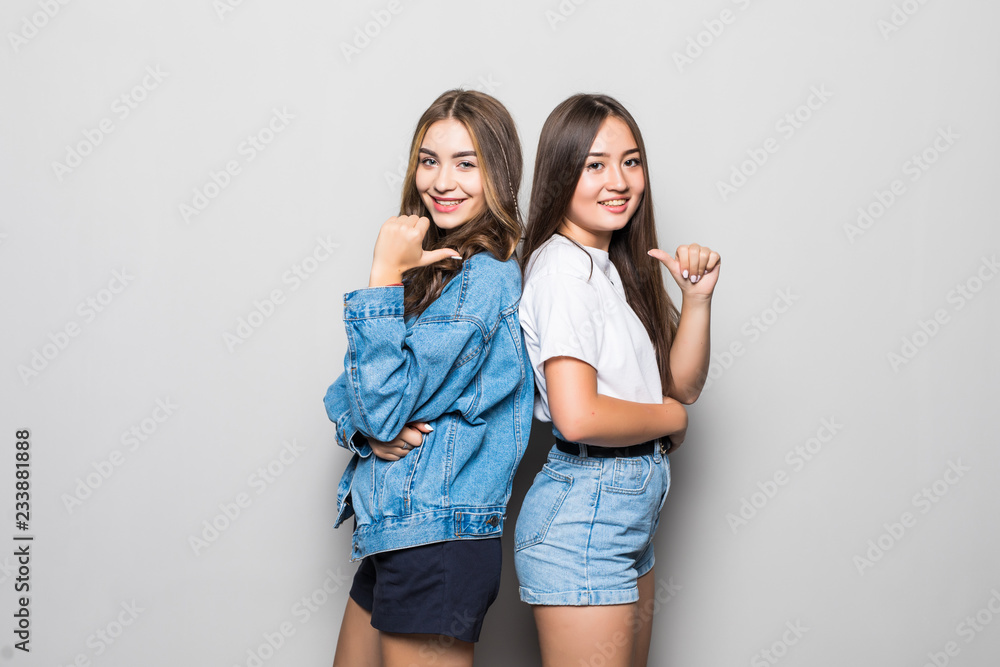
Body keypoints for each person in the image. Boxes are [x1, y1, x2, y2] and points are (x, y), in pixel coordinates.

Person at [323, 89, 532, 667]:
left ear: (500, 172)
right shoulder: (440, 268)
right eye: (428, 160)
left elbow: (380, 404)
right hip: (400, 526)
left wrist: (382, 275)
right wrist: (366, 433)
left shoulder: (482, 281)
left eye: (466, 163)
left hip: (436, 533)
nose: (442, 181)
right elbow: (349, 397)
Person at [514, 93, 721, 667]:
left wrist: (696, 301)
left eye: (631, 161)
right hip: (585, 517)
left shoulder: (605, 267)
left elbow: (682, 385)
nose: (620, 180)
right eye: (596, 164)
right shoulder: (562, 272)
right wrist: (672, 422)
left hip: (623, 515)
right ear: (561, 173)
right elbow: (578, 415)